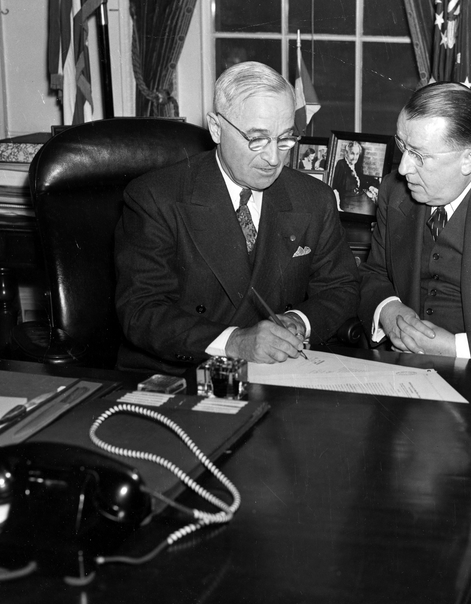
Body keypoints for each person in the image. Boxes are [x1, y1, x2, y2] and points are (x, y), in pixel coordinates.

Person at [114, 61, 360, 374]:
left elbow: (342, 287)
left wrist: (299, 321)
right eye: (257, 139)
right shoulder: (155, 197)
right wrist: (234, 342)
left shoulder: (313, 198)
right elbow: (141, 311)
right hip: (181, 374)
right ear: (216, 128)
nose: (273, 158)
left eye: (285, 138)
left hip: (279, 371)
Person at [358, 82, 471, 359]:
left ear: (469, 160)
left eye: (418, 155)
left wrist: (455, 348)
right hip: (400, 363)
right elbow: (374, 273)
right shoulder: (394, 192)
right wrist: (388, 310)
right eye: (402, 146)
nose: (403, 168)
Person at [331, 141, 378, 215]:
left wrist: (370, 187)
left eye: (357, 154)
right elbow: (335, 187)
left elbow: (360, 181)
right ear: (346, 153)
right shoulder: (341, 164)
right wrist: (337, 207)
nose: (355, 157)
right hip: (348, 202)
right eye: (352, 153)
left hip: (359, 197)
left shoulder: (356, 165)